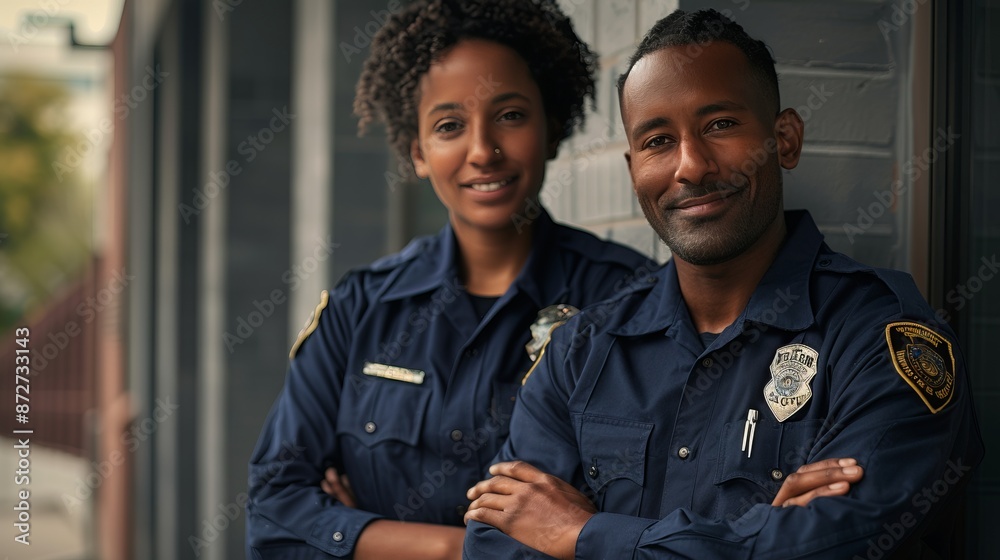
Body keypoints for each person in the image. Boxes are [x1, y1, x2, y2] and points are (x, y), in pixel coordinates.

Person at [463, 8, 984, 560]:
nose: (691, 166)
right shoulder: (581, 352)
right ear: (633, 168)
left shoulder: (879, 342)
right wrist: (756, 540)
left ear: (785, 140)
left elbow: (839, 547)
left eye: (720, 125)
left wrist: (580, 535)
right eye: (658, 140)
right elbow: (497, 543)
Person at [244, 1, 657, 558]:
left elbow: (654, 515)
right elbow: (274, 512)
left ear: (552, 127)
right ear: (417, 152)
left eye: (510, 116)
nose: (483, 151)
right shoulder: (361, 309)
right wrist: (455, 549)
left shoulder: (630, 300)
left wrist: (358, 533)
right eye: (449, 127)